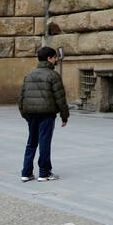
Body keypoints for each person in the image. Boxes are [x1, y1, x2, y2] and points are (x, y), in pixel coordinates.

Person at [18, 46, 69, 182]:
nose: (56, 60)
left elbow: (22, 97)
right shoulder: (53, 75)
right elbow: (60, 98)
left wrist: (24, 114)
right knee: (44, 142)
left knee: (31, 142)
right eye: (54, 57)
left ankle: (26, 172)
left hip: (31, 114)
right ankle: (44, 172)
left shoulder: (29, 75)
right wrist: (65, 116)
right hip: (46, 114)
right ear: (49, 59)